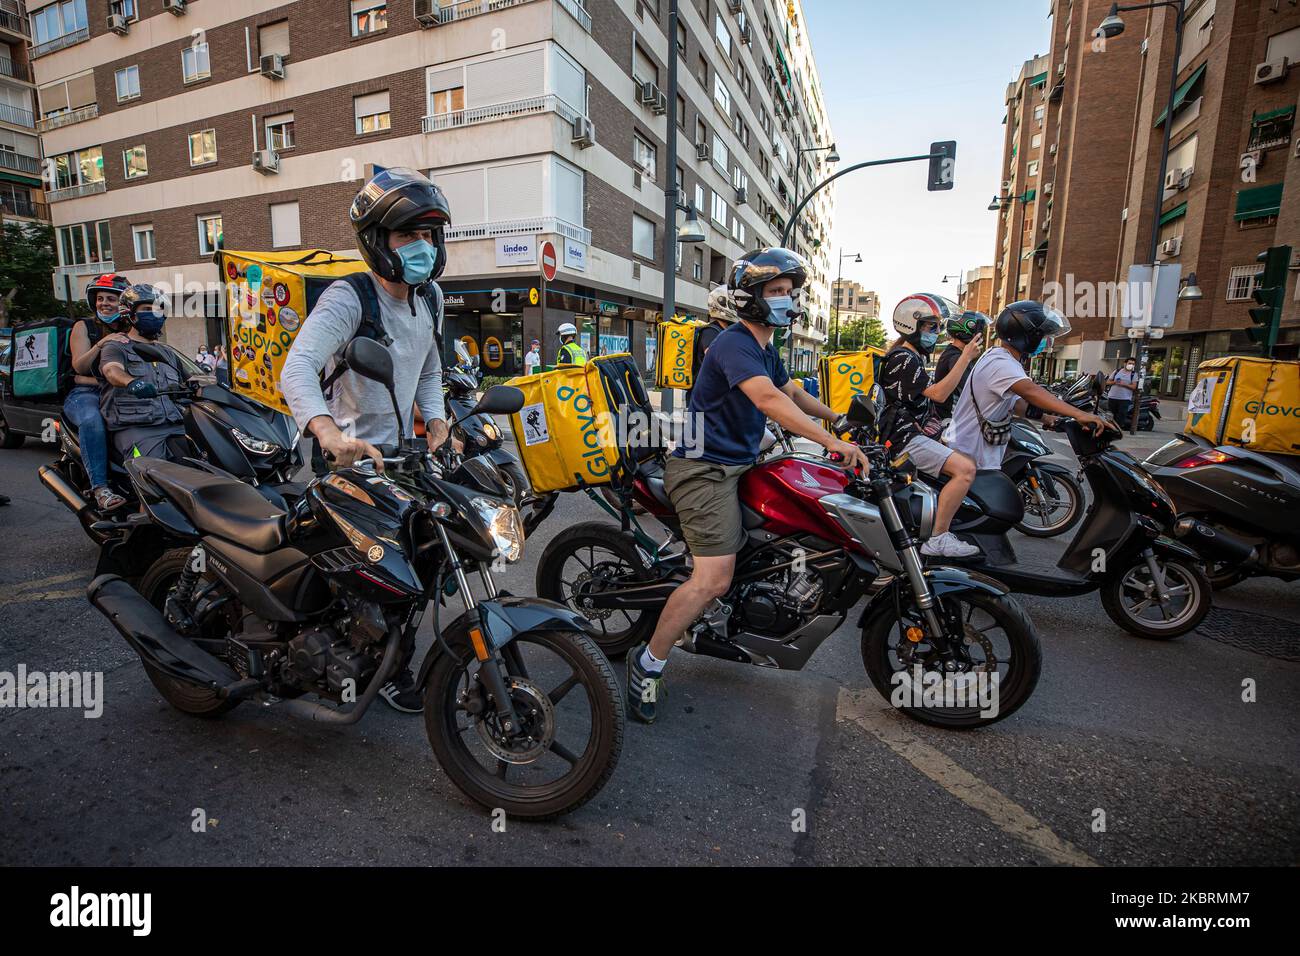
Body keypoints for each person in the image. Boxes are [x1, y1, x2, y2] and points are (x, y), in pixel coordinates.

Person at [625, 247, 870, 724]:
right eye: (777, 292)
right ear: (750, 299)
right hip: (703, 469)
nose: (788, 300)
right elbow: (765, 399)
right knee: (712, 577)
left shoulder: (764, 345)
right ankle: (648, 662)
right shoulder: (734, 343)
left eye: (790, 292)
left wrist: (837, 420)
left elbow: (792, 391)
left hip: (740, 462)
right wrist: (828, 442)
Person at [279, 166, 451, 715]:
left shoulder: (431, 300)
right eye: (408, 236)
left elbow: (428, 369)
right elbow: (297, 369)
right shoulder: (348, 298)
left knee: (419, 565)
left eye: (428, 236)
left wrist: (439, 420)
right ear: (378, 242)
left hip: (402, 454)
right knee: (360, 574)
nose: (421, 247)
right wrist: (328, 433)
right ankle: (339, 658)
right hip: (351, 455)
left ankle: (393, 663)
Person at [878, 294, 983, 559]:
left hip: (908, 433)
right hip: (903, 439)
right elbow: (938, 394)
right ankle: (939, 538)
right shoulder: (904, 359)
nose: (937, 333)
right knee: (965, 470)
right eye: (931, 326)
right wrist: (965, 357)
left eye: (938, 326)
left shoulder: (909, 357)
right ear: (911, 326)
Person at [949, 301, 1111, 473]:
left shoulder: (1000, 357)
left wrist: (1046, 419)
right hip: (969, 453)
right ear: (1027, 336)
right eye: (1042, 336)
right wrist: (1079, 414)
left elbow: (1016, 403)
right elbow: (1031, 391)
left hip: (974, 452)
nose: (1045, 341)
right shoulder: (1001, 364)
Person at [98, 285, 189, 461]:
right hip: (137, 428)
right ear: (130, 313)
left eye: (158, 309)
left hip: (175, 424)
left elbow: (191, 380)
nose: (154, 313)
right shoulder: (117, 346)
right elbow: (112, 370)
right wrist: (132, 382)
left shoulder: (167, 352)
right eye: (147, 309)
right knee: (154, 474)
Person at [66, 273, 132, 511]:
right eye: (100, 298)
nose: (104, 303)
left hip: (120, 391)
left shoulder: (131, 327)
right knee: (93, 420)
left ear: (123, 303)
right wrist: (101, 344)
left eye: (111, 299)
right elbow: (80, 368)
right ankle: (100, 488)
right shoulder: (83, 327)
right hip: (85, 394)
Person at [685, 284, 738, 404]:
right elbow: (715, 358)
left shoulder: (722, 331)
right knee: (699, 423)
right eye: (734, 305)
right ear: (722, 305)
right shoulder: (711, 332)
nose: (737, 308)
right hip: (702, 399)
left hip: (713, 398)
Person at [931, 310, 989, 421]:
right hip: (950, 421)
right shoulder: (956, 357)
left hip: (955, 417)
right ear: (967, 330)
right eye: (979, 330)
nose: (981, 335)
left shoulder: (955, 353)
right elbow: (972, 389)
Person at [1105, 358, 1139, 424]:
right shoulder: (1117, 371)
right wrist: (1115, 382)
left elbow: (1134, 387)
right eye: (1130, 363)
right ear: (1125, 363)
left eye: (1133, 364)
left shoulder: (1134, 374)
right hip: (1112, 397)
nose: (1131, 365)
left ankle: (1118, 429)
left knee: (1121, 416)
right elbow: (1108, 382)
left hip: (1124, 399)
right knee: (1110, 416)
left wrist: (1124, 384)